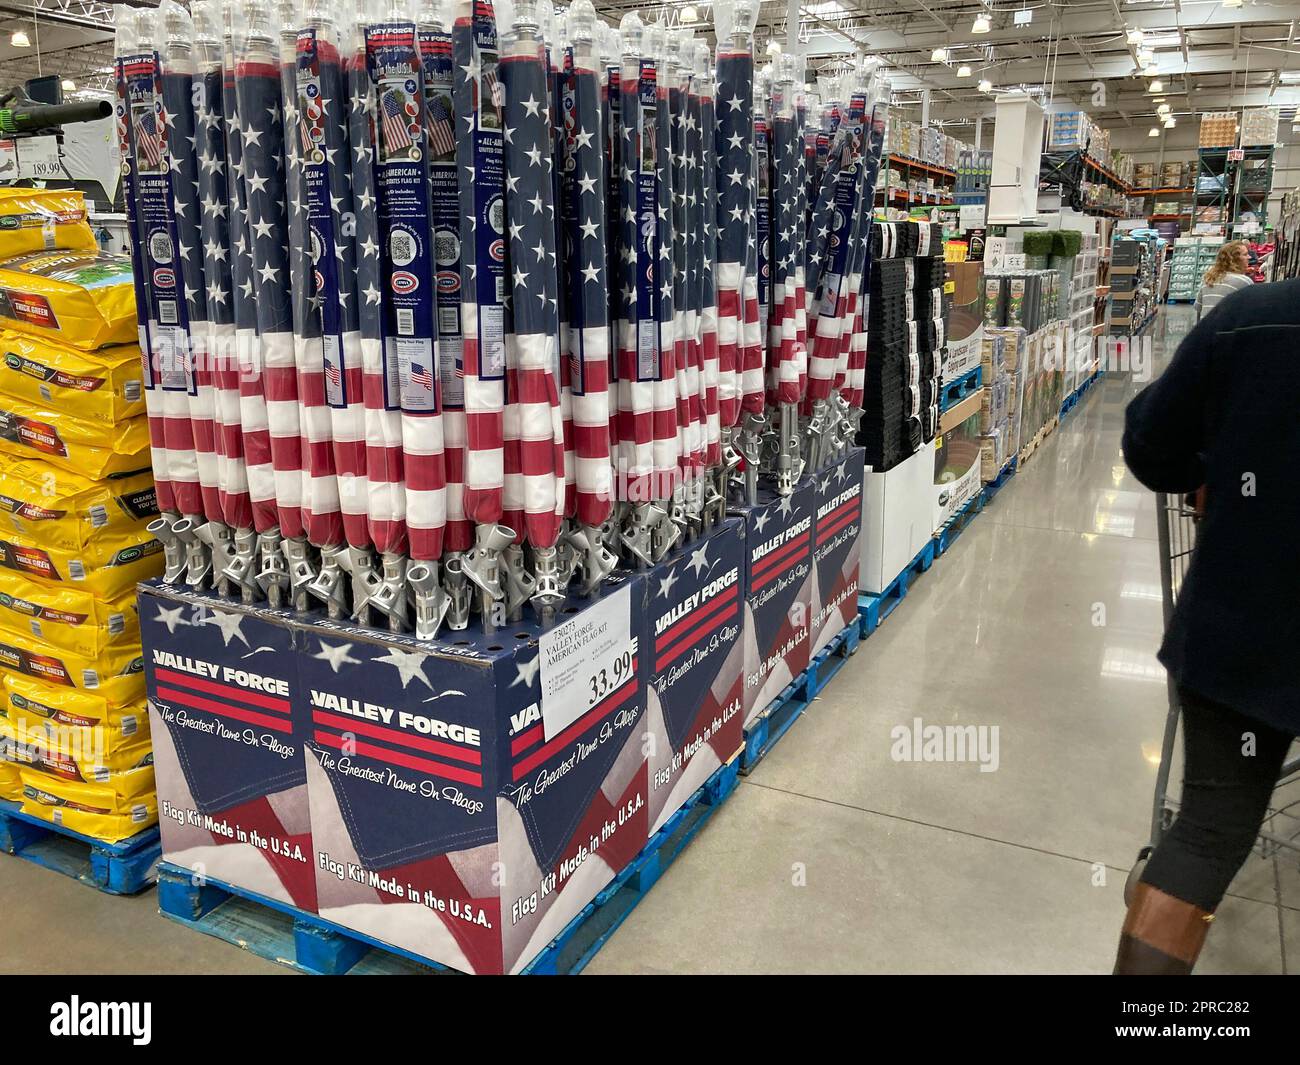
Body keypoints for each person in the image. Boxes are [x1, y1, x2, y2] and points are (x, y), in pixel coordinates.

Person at [1117, 276, 1300, 974]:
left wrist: (1213, 468)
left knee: (1206, 832)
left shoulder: (1251, 319)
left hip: (1242, 626)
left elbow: (1148, 442)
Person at [1194, 240, 1253, 321]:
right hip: (1227, 331)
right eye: (1245, 254)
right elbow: (1250, 313)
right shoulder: (1244, 281)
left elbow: (1198, 309)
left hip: (1205, 330)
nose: (1249, 257)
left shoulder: (1208, 279)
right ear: (1235, 259)